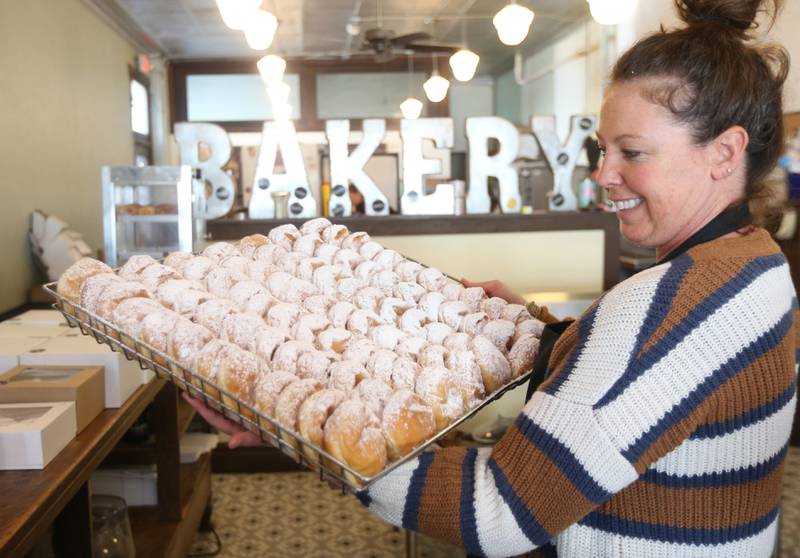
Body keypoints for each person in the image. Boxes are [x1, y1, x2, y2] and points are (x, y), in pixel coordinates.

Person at [187, 1, 797, 555]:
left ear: (724, 153)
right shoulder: (756, 263)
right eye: (602, 149)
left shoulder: (671, 300)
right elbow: (662, 389)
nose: (604, 174)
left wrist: (311, 430)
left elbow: (500, 511)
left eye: (632, 152)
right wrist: (546, 338)